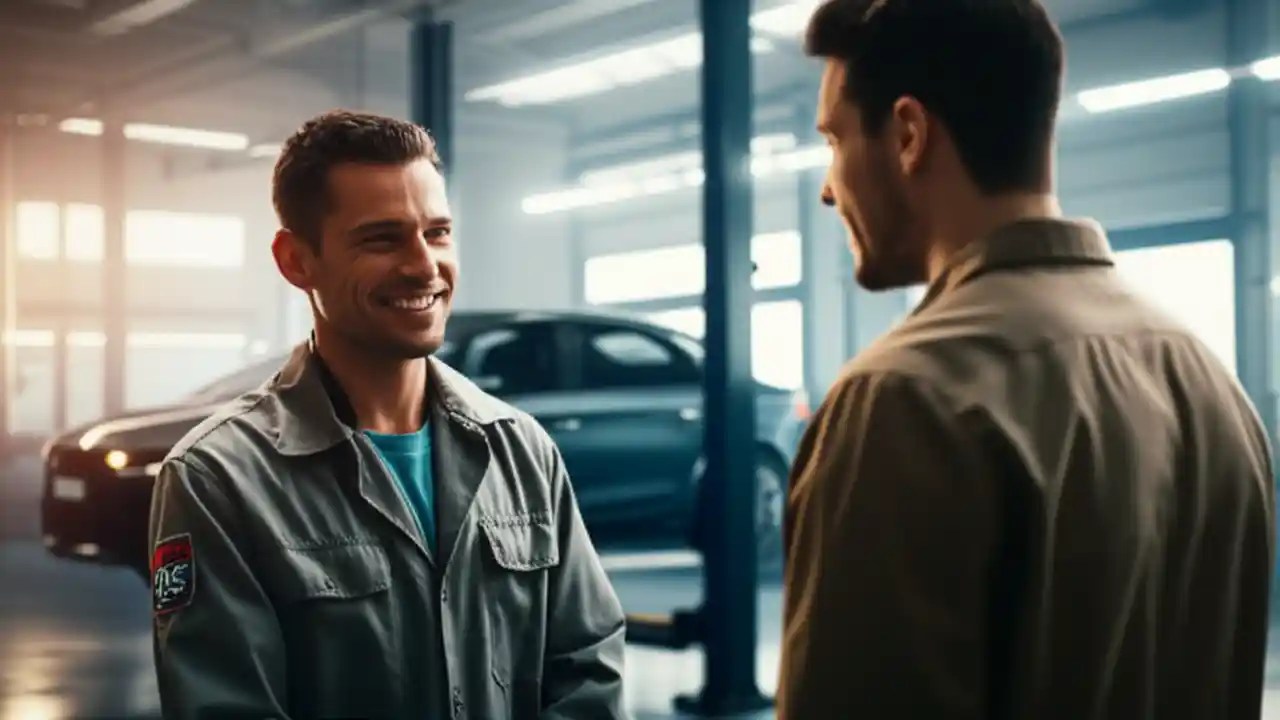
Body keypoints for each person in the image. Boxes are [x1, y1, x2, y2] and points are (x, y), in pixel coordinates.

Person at [779, 1, 1275, 718]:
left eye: (834, 139)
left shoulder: (904, 399)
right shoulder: (1209, 383)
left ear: (909, 135)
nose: (828, 187)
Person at [148, 110, 627, 719]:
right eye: (382, 238)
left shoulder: (522, 451)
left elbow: (588, 665)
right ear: (297, 261)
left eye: (438, 232)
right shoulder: (218, 479)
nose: (424, 265)